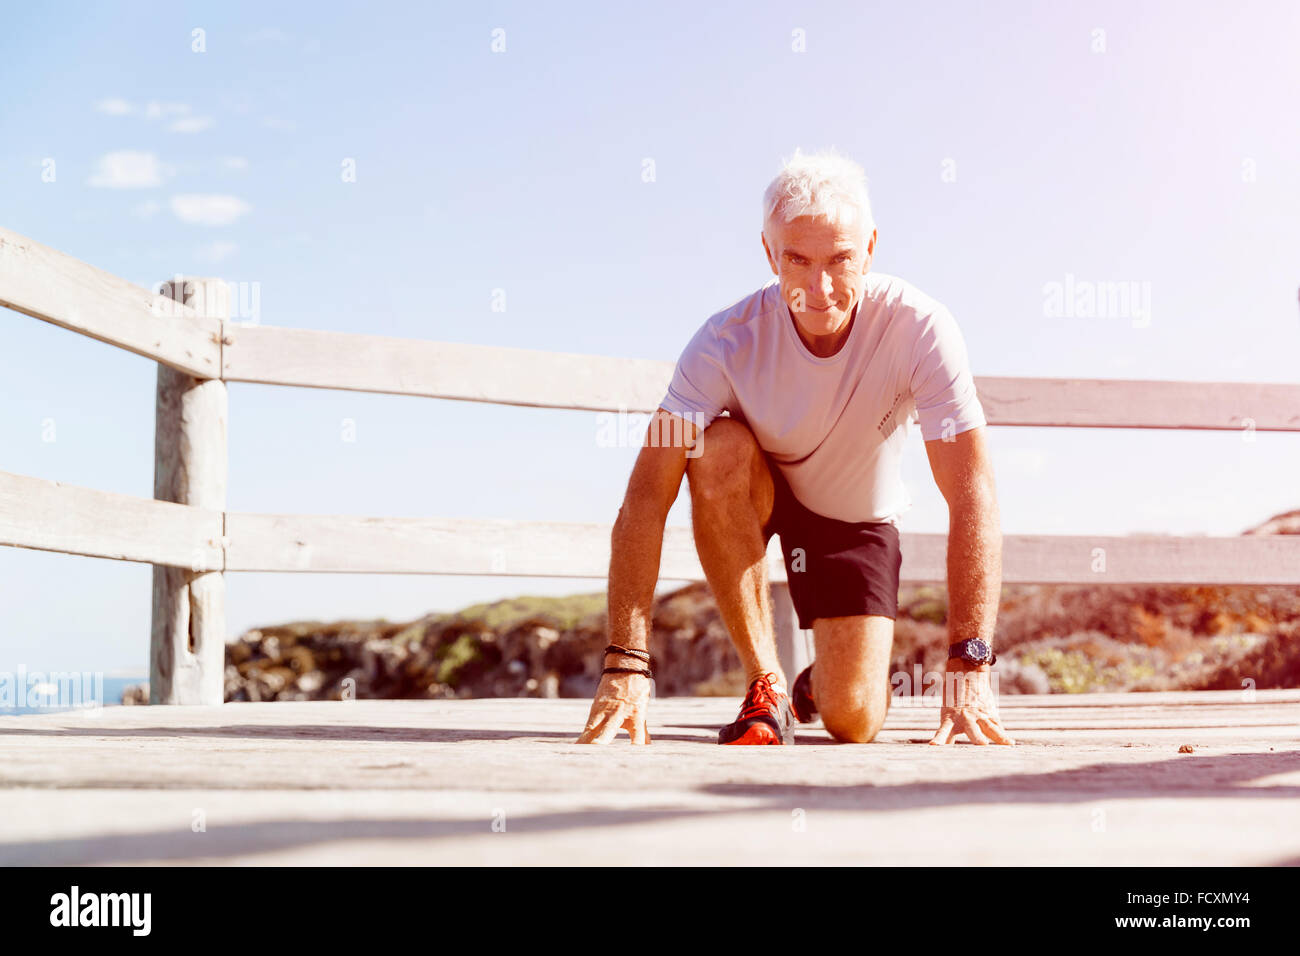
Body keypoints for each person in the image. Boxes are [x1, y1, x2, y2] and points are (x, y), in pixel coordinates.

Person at [576, 147, 1014, 747]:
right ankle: (767, 681)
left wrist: (971, 662)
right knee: (716, 446)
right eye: (797, 260)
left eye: (840, 259)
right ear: (768, 253)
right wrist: (626, 664)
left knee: (854, 719)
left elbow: (972, 493)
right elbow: (645, 497)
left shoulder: (921, 329)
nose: (819, 288)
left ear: (870, 248)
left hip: (852, 517)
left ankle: (822, 681)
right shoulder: (721, 345)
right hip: (756, 489)